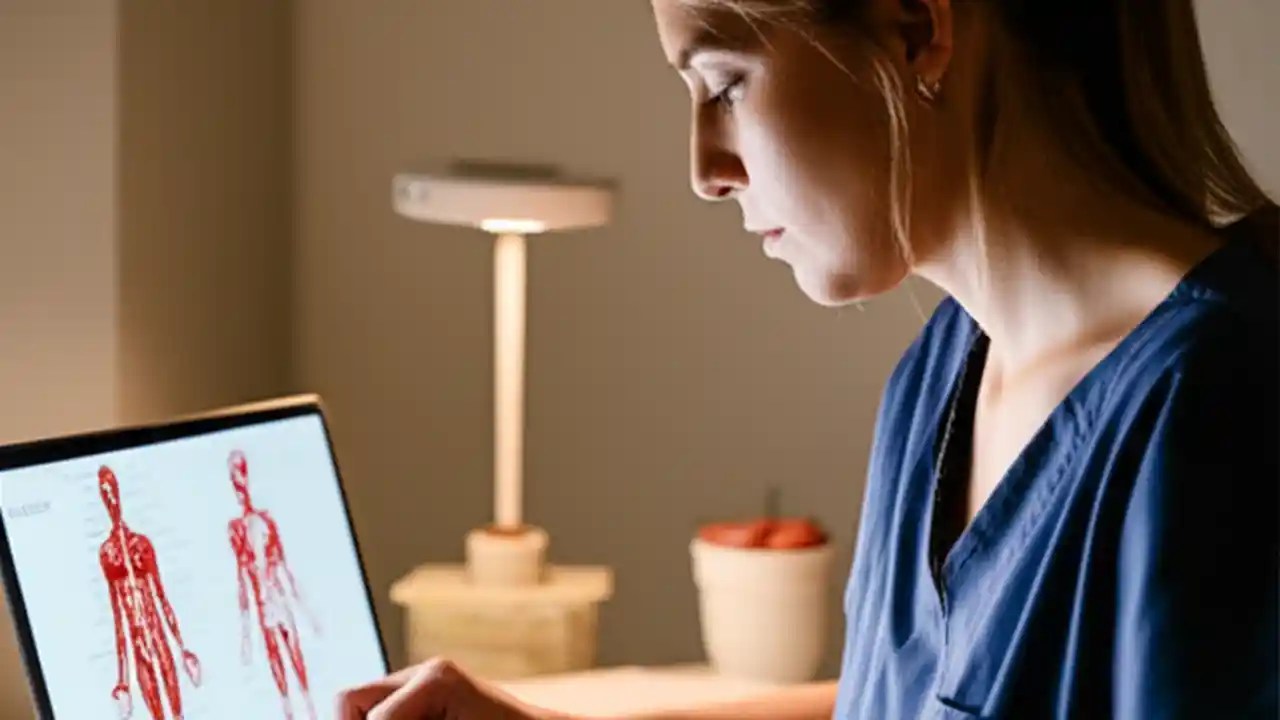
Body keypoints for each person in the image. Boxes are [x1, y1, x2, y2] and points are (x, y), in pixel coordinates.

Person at [338, 0, 1279, 717]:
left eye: (724, 83)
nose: (705, 168)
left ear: (916, 28)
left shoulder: (1216, 410)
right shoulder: (937, 378)